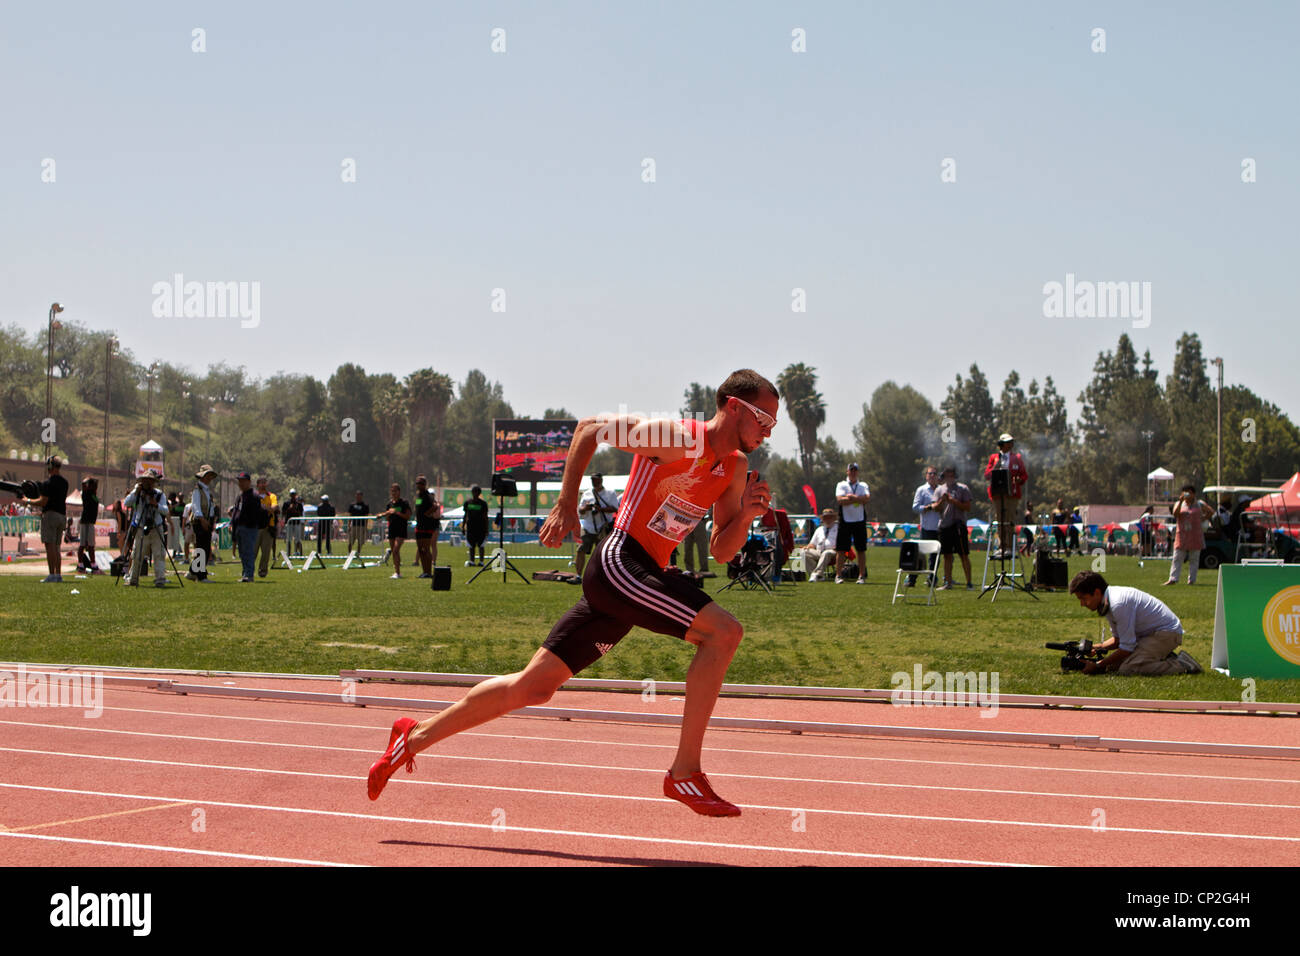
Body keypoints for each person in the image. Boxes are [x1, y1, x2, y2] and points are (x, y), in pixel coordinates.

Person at [367, 369, 779, 817]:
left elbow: (721, 551)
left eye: (773, 424)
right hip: (620, 561)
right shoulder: (678, 438)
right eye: (763, 418)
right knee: (723, 632)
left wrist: (745, 517)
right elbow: (588, 429)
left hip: (633, 582)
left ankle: (413, 736)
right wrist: (565, 503)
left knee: (534, 686)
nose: (767, 431)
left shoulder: (734, 468)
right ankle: (685, 772)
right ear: (733, 406)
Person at [1068, 571, 1202, 675]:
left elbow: (1126, 647)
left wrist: (1097, 665)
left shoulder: (1118, 603)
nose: (1082, 604)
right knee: (1113, 666)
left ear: (1097, 592)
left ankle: (1182, 665)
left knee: (1128, 669)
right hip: (1152, 635)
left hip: (1167, 633)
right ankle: (1159, 656)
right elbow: (1118, 640)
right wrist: (1096, 648)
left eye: (1083, 598)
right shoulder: (1107, 602)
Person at [20, 456, 69, 583]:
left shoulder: (47, 483)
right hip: (62, 515)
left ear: (50, 466)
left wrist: (28, 500)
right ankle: (58, 575)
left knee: (50, 546)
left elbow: (43, 501)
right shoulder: (65, 483)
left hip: (50, 515)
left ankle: (51, 574)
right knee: (57, 547)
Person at [984, 433, 1027, 555]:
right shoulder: (994, 458)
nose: (1010, 444)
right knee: (1000, 519)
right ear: (1001, 444)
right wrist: (995, 466)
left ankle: (1010, 546)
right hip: (998, 494)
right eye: (1007, 442)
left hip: (1012, 494)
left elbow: (1024, 475)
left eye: (1011, 442)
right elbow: (987, 475)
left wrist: (1019, 479)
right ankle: (1002, 546)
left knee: (1010, 519)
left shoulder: (1017, 458)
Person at [123, 474, 169, 587]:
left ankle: (160, 579)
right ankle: (133, 579)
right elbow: (126, 503)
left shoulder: (159, 494)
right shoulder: (138, 493)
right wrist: (135, 492)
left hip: (156, 527)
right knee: (137, 555)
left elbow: (165, 510)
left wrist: (156, 504)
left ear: (154, 483)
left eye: (150, 481)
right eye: (145, 481)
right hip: (140, 528)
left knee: (159, 554)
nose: (147, 484)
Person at [1166, 484, 1216, 586]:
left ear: (1193, 494)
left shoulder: (1199, 504)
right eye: (1184, 492)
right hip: (1182, 535)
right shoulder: (1179, 503)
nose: (1186, 495)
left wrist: (1203, 518)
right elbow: (1175, 514)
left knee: (1194, 558)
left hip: (1195, 535)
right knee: (1177, 557)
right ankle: (1173, 579)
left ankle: (1192, 580)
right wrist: (1180, 501)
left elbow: (1211, 511)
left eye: (1188, 492)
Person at [935, 465, 973, 589]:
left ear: (954, 475)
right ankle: (948, 582)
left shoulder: (963, 488)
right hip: (944, 526)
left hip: (958, 526)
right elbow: (936, 508)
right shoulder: (940, 489)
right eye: (947, 475)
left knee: (963, 555)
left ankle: (969, 583)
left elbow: (967, 507)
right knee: (947, 555)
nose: (949, 477)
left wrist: (953, 501)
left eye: (951, 475)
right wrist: (942, 501)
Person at [575, 473, 619, 575]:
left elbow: (615, 508)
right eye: (592, 480)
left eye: (596, 480)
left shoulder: (610, 493)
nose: (594, 482)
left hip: (603, 527)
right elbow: (580, 510)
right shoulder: (587, 493)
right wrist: (586, 508)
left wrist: (601, 509)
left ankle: (601, 576)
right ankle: (578, 575)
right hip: (588, 526)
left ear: (601, 480)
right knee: (580, 549)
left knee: (602, 553)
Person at [834, 462, 871, 584]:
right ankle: (838, 575)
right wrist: (858, 499)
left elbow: (866, 498)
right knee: (841, 549)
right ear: (847, 472)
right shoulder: (841, 485)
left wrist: (852, 498)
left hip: (859, 520)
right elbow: (840, 500)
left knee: (861, 549)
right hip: (845, 520)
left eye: (855, 470)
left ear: (858, 472)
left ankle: (861, 575)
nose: (853, 472)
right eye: (851, 470)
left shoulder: (863, 485)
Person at [231, 472, 269, 582]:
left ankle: (249, 575)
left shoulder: (254, 496)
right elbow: (236, 511)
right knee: (242, 553)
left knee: (248, 552)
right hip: (239, 527)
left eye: (243, 481)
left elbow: (258, 513)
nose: (241, 483)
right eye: (239, 481)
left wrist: (253, 524)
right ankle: (245, 573)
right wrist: (233, 523)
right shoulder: (240, 496)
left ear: (248, 482)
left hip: (249, 528)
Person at [910, 466, 942, 586]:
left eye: (934, 473)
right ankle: (912, 578)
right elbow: (915, 507)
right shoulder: (922, 490)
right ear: (926, 476)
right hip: (927, 527)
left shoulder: (941, 490)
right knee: (921, 554)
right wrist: (929, 507)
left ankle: (932, 578)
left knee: (935, 555)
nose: (932, 475)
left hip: (939, 527)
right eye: (930, 473)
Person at [189, 465, 219, 582]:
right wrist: (203, 520)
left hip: (207, 521)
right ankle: (201, 576)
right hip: (200, 521)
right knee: (202, 548)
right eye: (208, 475)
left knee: (204, 547)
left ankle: (193, 571)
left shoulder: (206, 490)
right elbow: (196, 507)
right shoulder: (197, 490)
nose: (210, 478)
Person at [413, 476, 442, 578]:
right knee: (420, 549)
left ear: (425, 484)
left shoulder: (427, 496)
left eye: (421, 483)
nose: (419, 485)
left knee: (426, 549)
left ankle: (429, 572)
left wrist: (427, 514)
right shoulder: (418, 496)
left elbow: (435, 506)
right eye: (417, 483)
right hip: (419, 525)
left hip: (427, 526)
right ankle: (424, 571)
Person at [380, 484, 411, 579]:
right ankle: (397, 572)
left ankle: (397, 573)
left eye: (395, 491)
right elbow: (387, 518)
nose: (393, 493)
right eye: (392, 491)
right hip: (392, 530)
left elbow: (408, 516)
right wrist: (388, 514)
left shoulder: (404, 503)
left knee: (395, 550)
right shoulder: (389, 504)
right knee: (394, 551)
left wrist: (396, 512)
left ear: (399, 492)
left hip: (401, 529)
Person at [801, 508, 839, 580]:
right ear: (823, 519)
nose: (828, 520)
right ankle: (816, 576)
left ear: (834, 519)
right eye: (825, 518)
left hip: (833, 552)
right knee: (803, 552)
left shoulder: (839, 529)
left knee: (826, 553)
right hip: (819, 551)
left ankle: (817, 574)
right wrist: (807, 547)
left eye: (829, 517)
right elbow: (812, 544)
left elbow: (843, 543)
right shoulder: (819, 529)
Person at [254, 477, 279, 578]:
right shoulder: (254, 496)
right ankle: (248, 570)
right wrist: (267, 508)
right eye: (261, 483)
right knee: (252, 551)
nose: (263, 485)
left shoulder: (272, 496)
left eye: (265, 483)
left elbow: (274, 507)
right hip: (255, 527)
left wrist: (262, 508)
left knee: (266, 552)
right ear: (257, 485)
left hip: (268, 527)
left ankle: (263, 571)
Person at [77, 477, 100, 573]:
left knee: (91, 545)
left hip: (91, 522)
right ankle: (80, 564)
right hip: (85, 521)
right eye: (94, 485)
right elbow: (83, 483)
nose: (96, 487)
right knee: (82, 544)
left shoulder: (94, 495)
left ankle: (93, 564)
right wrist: (88, 479)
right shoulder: (85, 493)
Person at [462, 485, 489, 566]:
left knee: (481, 545)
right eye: (474, 492)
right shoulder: (467, 503)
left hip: (481, 527)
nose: (475, 494)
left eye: (477, 492)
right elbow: (465, 515)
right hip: (470, 527)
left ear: (479, 493)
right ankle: (472, 561)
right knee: (471, 545)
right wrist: (463, 526)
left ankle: (481, 562)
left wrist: (487, 529)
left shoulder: (483, 504)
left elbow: (485, 517)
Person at [282, 489, 305, 557]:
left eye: (294, 494)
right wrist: (289, 509)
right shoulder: (286, 503)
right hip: (289, 523)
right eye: (292, 494)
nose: (293, 496)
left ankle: (300, 554)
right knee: (289, 539)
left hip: (297, 523)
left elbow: (301, 514)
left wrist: (295, 510)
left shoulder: (299, 504)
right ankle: (288, 554)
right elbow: (283, 513)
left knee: (298, 539)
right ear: (290, 495)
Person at [345, 491, 367, 555]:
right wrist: (349, 525)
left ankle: (358, 553)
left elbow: (366, 517)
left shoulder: (365, 506)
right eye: (357, 495)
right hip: (353, 525)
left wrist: (365, 527)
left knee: (360, 542)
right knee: (350, 541)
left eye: (359, 495)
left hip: (361, 526)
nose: (358, 497)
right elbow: (350, 516)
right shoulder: (352, 505)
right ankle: (349, 553)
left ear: (362, 496)